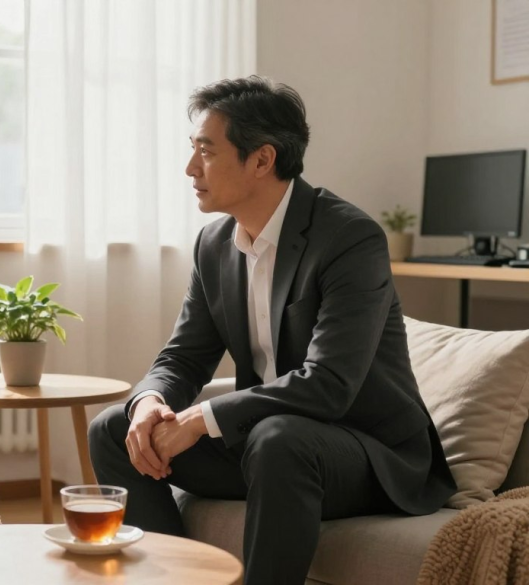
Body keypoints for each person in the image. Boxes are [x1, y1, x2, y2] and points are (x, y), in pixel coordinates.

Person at [88, 76, 456, 585]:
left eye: (206, 152)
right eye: (192, 151)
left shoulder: (349, 238)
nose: (190, 168)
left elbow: (329, 383)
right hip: (266, 445)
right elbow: (184, 356)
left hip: (365, 454)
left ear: (261, 160)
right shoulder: (213, 244)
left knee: (278, 439)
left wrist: (200, 419)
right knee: (114, 429)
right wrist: (150, 403)